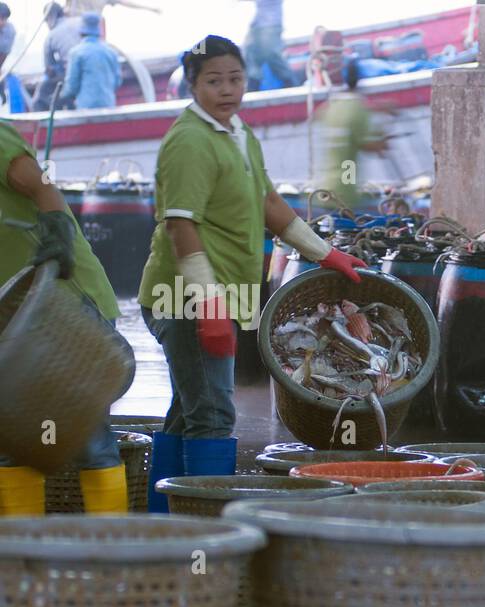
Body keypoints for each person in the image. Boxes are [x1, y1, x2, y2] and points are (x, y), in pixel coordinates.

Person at [139, 36, 365, 511]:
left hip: (224, 292)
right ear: (192, 85)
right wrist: (209, 304)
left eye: (235, 78)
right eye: (213, 81)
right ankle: (210, 528)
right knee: (215, 414)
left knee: (190, 407)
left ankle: (166, 515)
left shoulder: (238, 133)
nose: (227, 90)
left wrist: (327, 254)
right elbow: (180, 224)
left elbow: (269, 204)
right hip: (183, 294)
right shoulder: (189, 141)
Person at [0, 118, 128, 516]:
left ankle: (112, 552)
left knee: (89, 436)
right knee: (11, 438)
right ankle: (25, 556)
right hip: (15, 319)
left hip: (65, 303)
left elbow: (40, 184)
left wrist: (58, 234)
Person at [316, 58, 396, 212]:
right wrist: (383, 139)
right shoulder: (358, 109)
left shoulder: (331, 107)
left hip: (327, 182)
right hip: (345, 185)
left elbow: (350, 132)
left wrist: (377, 112)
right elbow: (368, 145)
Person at [63, 13, 119, 109]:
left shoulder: (76, 53)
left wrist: (62, 95)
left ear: (81, 31)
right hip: (109, 106)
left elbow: (72, 86)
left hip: (86, 108)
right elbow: (117, 81)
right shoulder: (111, 52)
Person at [33, 3, 83, 111]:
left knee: (42, 96)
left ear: (50, 18)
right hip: (90, 72)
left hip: (71, 77)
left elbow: (49, 69)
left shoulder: (50, 37)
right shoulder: (80, 21)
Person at [238, 0, 295, 92]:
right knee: (250, 52)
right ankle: (252, 87)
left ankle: (290, 84)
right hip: (258, 25)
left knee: (271, 55)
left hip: (271, 24)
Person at [0, 4, 15, 76]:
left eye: (4, 19)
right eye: (1, 18)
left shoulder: (10, 31)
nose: (2, 22)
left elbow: (4, 53)